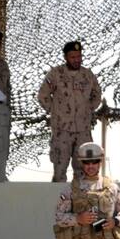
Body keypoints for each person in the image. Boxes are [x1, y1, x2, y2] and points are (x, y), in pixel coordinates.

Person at [38, 40, 102, 182]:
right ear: (66, 57)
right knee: (60, 169)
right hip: (62, 131)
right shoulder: (55, 74)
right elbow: (43, 96)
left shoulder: (88, 75)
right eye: (73, 57)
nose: (76, 60)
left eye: (79, 56)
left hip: (83, 131)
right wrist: (55, 112)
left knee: (83, 170)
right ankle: (60, 202)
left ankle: (80, 202)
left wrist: (89, 108)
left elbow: (97, 94)